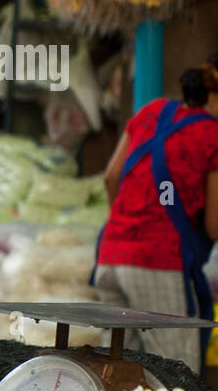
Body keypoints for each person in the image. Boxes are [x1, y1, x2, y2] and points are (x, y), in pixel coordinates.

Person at [93, 65, 218, 372]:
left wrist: (129, 224)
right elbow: (214, 225)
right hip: (157, 264)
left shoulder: (151, 111)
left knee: (118, 371)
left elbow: (111, 177)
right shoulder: (212, 133)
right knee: (174, 375)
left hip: (110, 256)